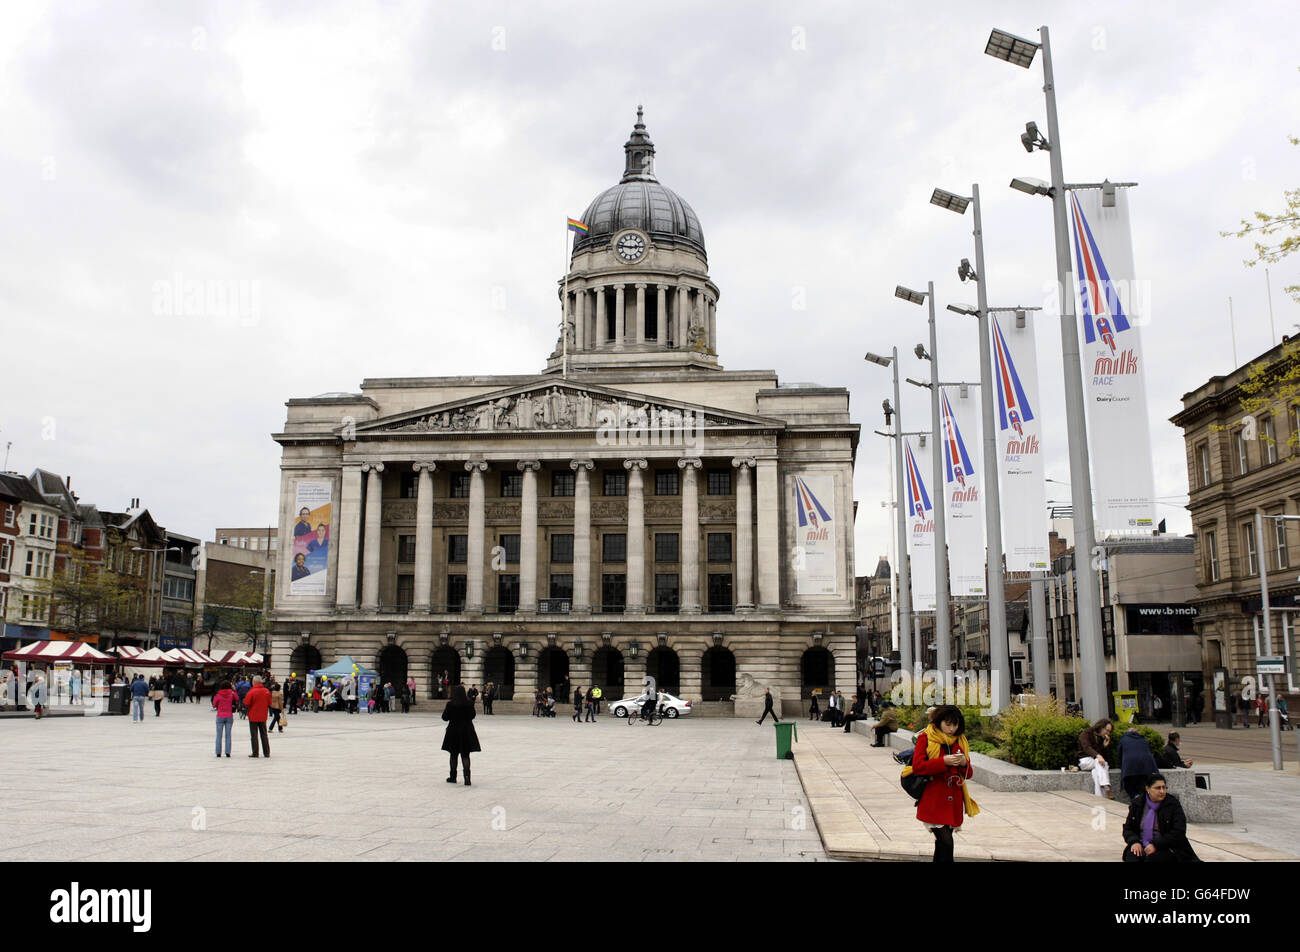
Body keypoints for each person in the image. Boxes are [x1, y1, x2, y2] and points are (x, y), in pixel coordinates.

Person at [905, 705, 979, 862]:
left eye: (955, 724)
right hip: (934, 797)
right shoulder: (926, 738)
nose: (952, 729)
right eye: (948, 724)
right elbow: (918, 767)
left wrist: (964, 762)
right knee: (946, 842)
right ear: (939, 722)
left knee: (942, 844)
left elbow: (968, 774)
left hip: (954, 799)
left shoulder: (960, 740)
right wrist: (942, 762)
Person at [1121, 773, 1200, 862]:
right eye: (1158, 788)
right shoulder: (1138, 804)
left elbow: (1179, 831)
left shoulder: (1172, 804)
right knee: (1132, 857)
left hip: (1167, 846)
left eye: (1164, 787)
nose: (1162, 791)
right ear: (1148, 788)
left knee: (1153, 859)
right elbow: (1128, 828)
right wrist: (1134, 842)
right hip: (1141, 843)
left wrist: (1155, 845)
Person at [442, 684, 481, 785]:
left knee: (453, 754)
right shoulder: (469, 703)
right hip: (466, 731)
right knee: (465, 755)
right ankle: (467, 778)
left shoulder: (450, 704)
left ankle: (453, 777)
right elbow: (473, 715)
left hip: (453, 731)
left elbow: (444, 717)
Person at [1078, 718, 1115, 799]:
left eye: (1109, 732)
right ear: (1101, 727)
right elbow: (1087, 748)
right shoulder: (1086, 734)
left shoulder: (1100, 738)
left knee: (1096, 772)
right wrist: (1098, 756)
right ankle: (1107, 787)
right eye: (1107, 730)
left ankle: (1099, 797)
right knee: (1101, 763)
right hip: (1085, 761)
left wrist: (1104, 746)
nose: (1108, 733)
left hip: (1095, 762)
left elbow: (1102, 755)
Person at [1117, 727, 1158, 801]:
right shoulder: (1143, 740)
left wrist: (1121, 767)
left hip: (1130, 768)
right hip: (1146, 768)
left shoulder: (1123, 740)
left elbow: (1120, 755)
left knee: (1129, 785)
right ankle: (1141, 800)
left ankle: (1136, 798)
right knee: (1142, 786)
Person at [243, 676, 272, 758]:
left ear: (254, 682)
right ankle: (267, 752)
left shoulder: (252, 691)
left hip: (253, 716)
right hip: (263, 716)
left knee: (254, 735)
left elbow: (247, 703)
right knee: (264, 734)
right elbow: (269, 703)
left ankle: (255, 752)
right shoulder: (266, 691)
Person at [211, 679, 239, 757]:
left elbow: (214, 704)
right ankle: (227, 752)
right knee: (228, 735)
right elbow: (237, 698)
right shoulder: (232, 693)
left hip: (220, 715)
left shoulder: (218, 694)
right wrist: (234, 690)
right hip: (229, 715)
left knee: (219, 735)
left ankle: (218, 752)